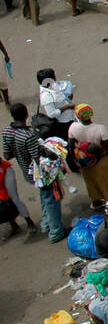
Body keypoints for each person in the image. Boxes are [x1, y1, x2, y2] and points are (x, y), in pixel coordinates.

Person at [2, 103, 65, 241]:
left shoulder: (7, 131)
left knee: (44, 195)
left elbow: (7, 155)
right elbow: (38, 159)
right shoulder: (28, 135)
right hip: (40, 174)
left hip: (26, 172)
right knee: (51, 199)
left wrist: (19, 151)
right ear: (25, 114)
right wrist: (51, 151)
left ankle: (46, 223)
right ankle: (56, 232)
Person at [67, 104, 108, 208]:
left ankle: (97, 201)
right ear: (91, 115)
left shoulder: (73, 127)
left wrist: (75, 160)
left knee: (90, 180)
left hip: (84, 160)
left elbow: (70, 145)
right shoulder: (100, 129)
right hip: (100, 158)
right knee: (106, 181)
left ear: (78, 117)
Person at [0, 156, 39, 238]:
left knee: (14, 199)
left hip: (5, 171)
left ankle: (30, 223)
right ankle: (15, 227)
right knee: (3, 202)